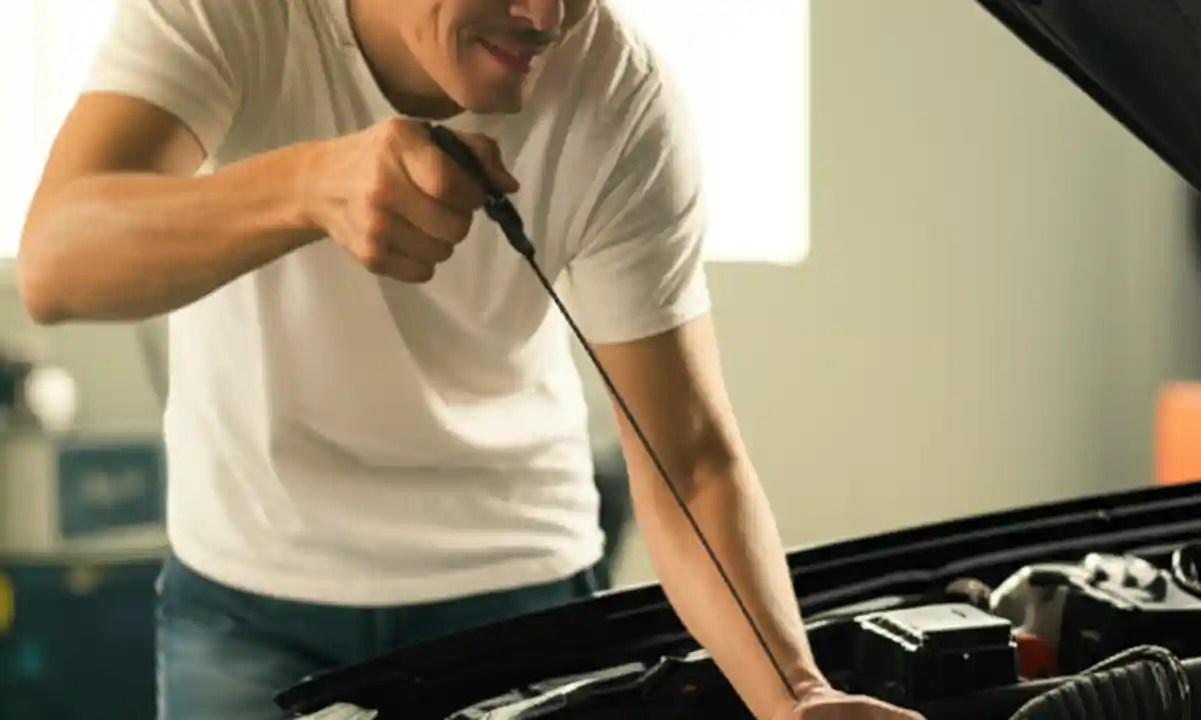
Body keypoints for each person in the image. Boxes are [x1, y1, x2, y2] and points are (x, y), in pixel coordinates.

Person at [18, 2, 922, 719]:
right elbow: (57, 266)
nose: (547, 13)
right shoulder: (228, 13)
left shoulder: (620, 95)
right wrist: (305, 185)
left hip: (516, 598)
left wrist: (797, 696)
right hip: (246, 603)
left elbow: (689, 460)